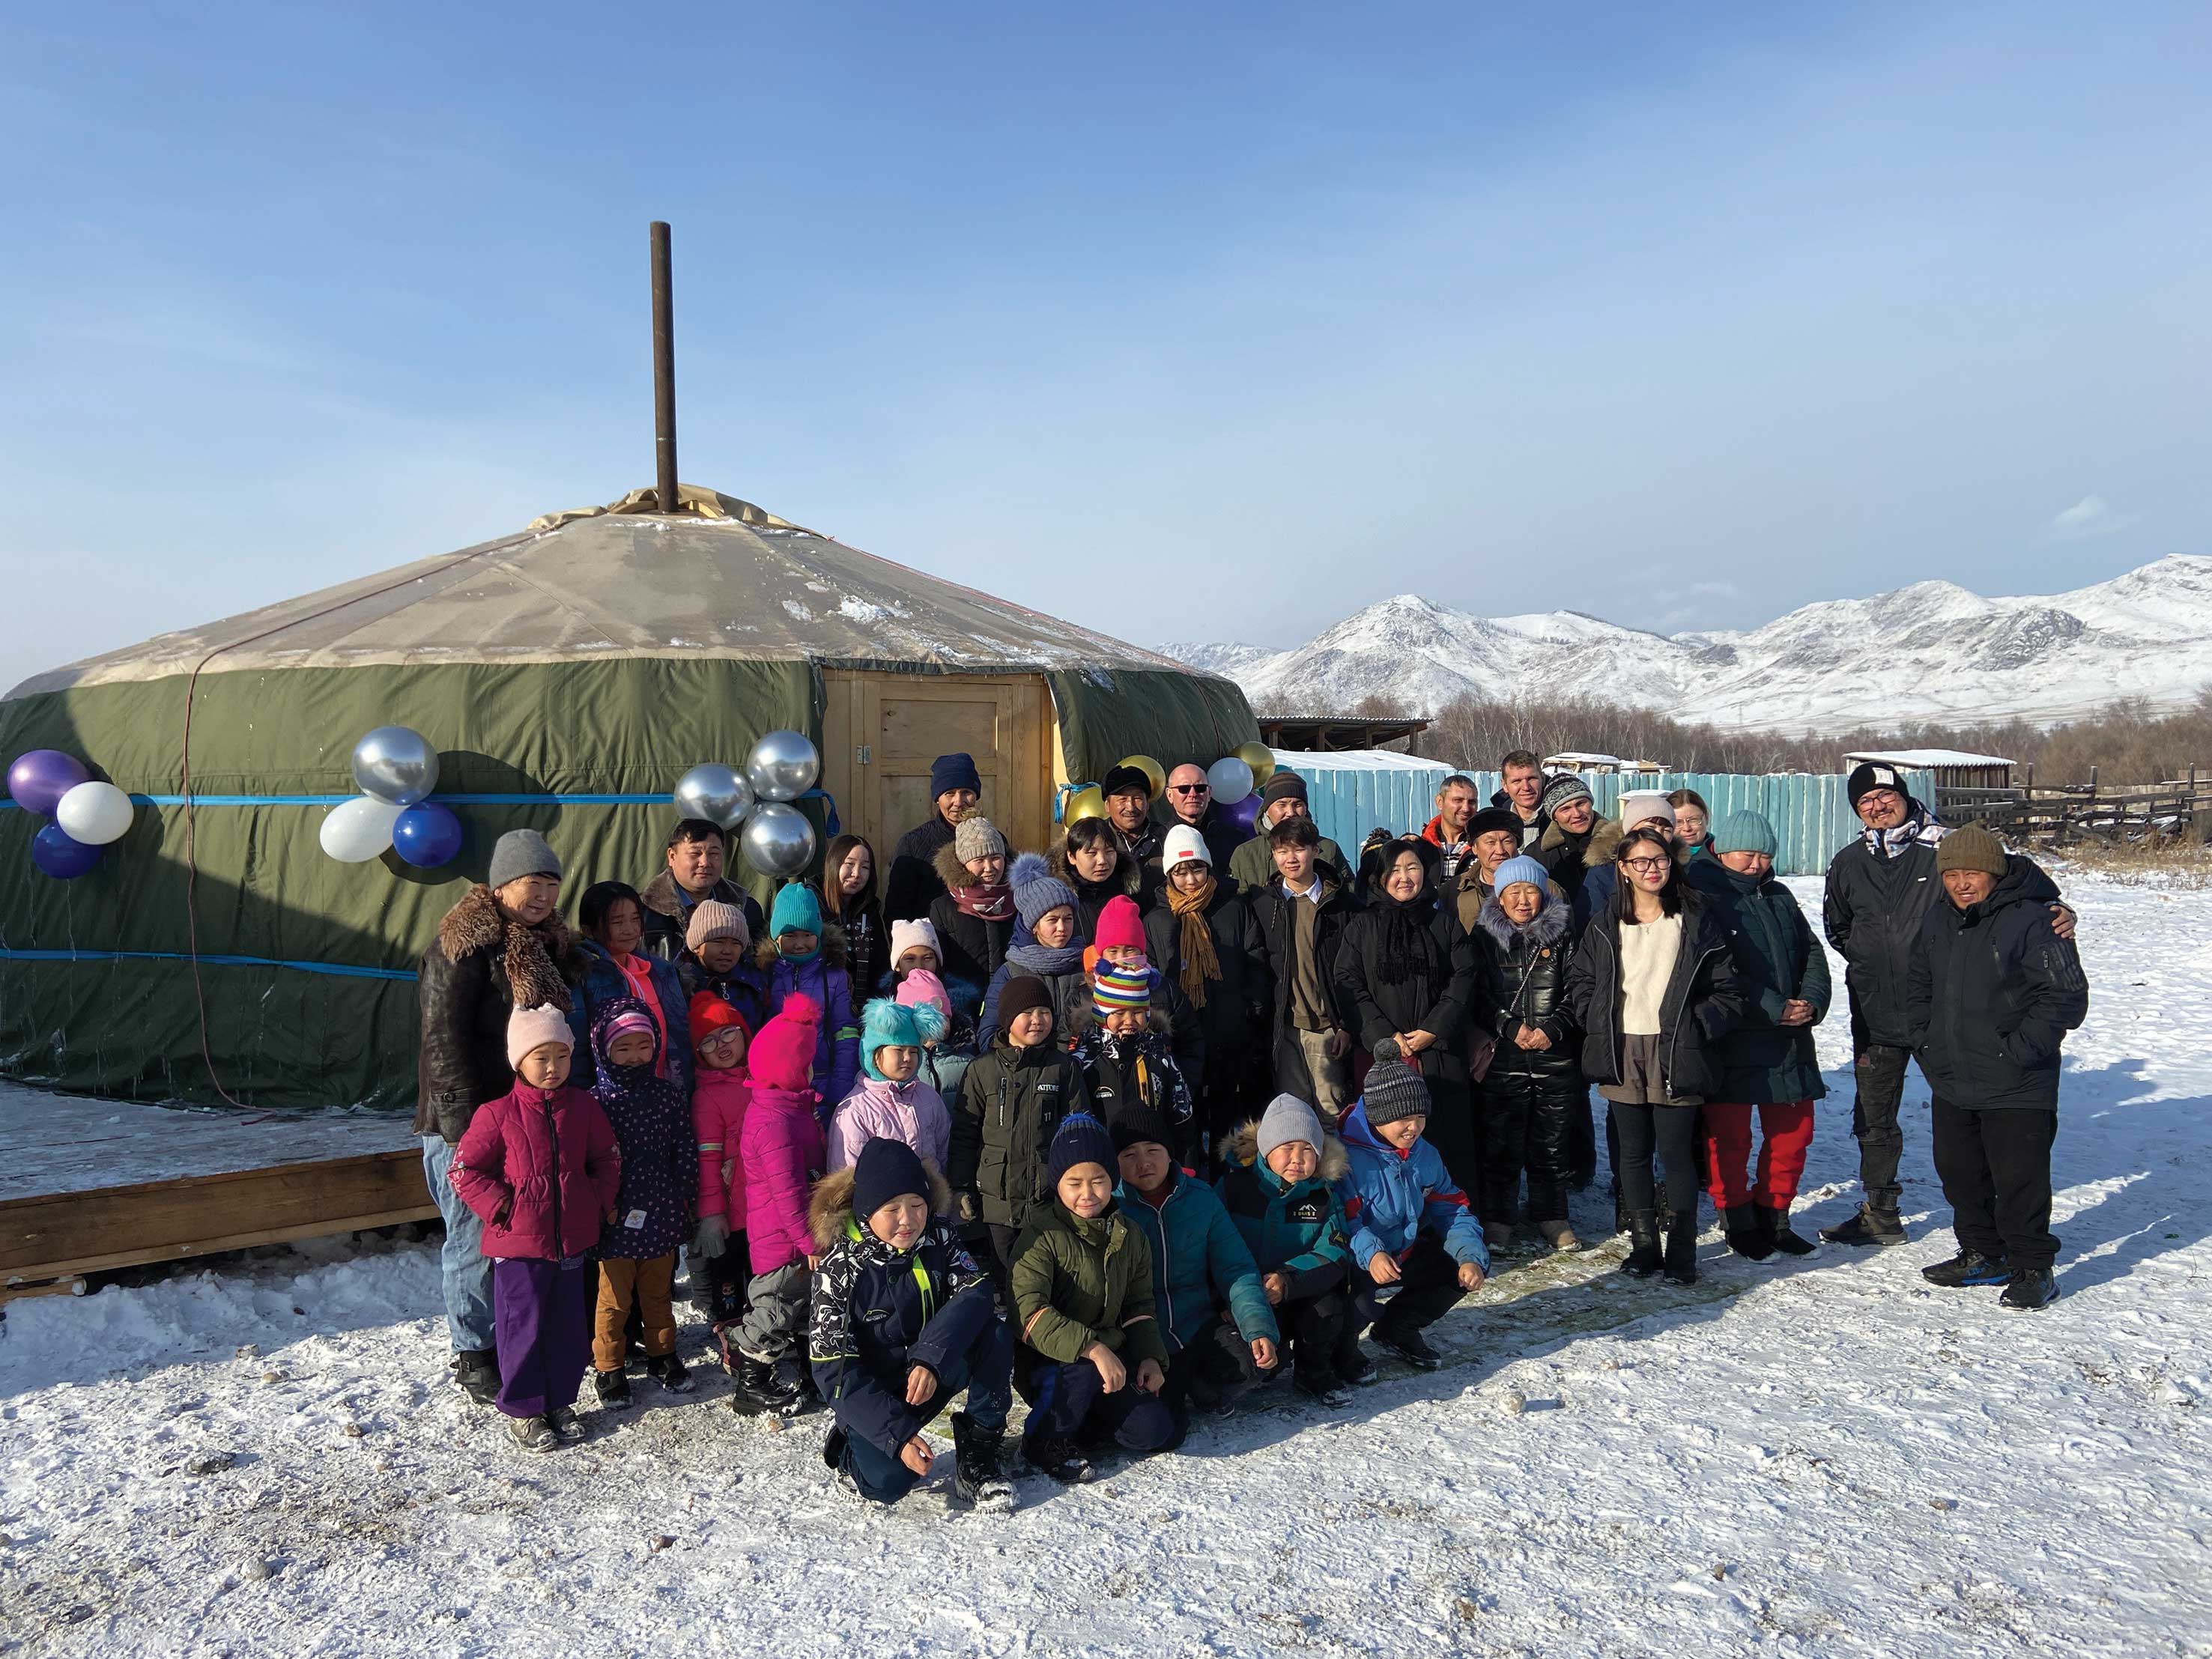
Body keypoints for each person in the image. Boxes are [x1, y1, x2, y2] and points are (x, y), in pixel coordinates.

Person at [1820, 761, 2075, 1249]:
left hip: (1948, 1013)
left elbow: (2014, 881)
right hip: (1875, 1013)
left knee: (1969, 1120)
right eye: (1864, 800)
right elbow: (1838, 926)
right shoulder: (1847, 860)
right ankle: (1880, 1211)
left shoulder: (1944, 844)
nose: (1877, 805)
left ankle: (1994, 1224)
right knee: (1873, 1117)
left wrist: (2056, 908)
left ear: (1903, 795)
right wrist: (1872, 961)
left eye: (1884, 795)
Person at [416, 828, 582, 1404]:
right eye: (532, 883)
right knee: (470, 1239)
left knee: (515, 1237)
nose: (542, 896)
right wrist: (467, 1137)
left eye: (551, 885)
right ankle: (473, 1351)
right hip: (465, 1121)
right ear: (502, 884)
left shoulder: (549, 947)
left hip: (524, 1119)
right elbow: (443, 1043)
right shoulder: (459, 947)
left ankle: (509, 1340)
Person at [1908, 825, 2088, 1311]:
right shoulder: (1938, 920)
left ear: (1994, 872)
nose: (1961, 883)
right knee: (1959, 1172)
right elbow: (1917, 984)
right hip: (1952, 1074)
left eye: (1972, 873)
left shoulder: (2035, 921)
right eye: (1952, 874)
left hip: (2016, 1079)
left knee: (2019, 1178)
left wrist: (2020, 1049)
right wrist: (1926, 1042)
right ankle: (1982, 1252)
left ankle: (2031, 1265)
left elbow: (2065, 996)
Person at [1566, 827, 1746, 1287]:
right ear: (1622, 869)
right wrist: (1594, 1016)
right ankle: (1644, 1245)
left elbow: (1727, 990)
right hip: (1623, 1046)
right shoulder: (1607, 921)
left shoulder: (1695, 918)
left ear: (1672, 865)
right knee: (1631, 1155)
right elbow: (1581, 980)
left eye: (1660, 860)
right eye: (1640, 862)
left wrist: (1697, 1026)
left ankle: (1682, 1250)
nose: (1651, 869)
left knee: (1677, 1154)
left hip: (1675, 1049)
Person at [808, 1138, 1016, 1509]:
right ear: (867, 1211)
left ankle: (978, 1458)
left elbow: (976, 1289)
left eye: (917, 1204)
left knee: (994, 1335)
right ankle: (848, 1450)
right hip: (876, 1393)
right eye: (892, 1208)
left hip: (928, 1374)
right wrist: (897, 1435)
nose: (908, 1219)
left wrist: (931, 1356)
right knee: (889, 1483)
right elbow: (832, 1370)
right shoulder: (838, 1269)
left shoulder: (939, 1236)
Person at [449, 1006, 621, 1451]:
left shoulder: (584, 1107)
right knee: (521, 1329)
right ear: (519, 1060)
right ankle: (525, 1408)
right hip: (520, 1247)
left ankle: (561, 1400)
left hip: (573, 1242)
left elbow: (607, 1159)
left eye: (561, 1057)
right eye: (541, 1057)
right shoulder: (496, 1113)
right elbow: (464, 1171)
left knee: (567, 1328)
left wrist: (597, 1200)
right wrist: (502, 1208)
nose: (552, 1068)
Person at [1684, 812, 1830, 1260]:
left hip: (1788, 1038)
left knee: (1793, 1132)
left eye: (1765, 856)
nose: (1757, 865)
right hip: (1732, 1035)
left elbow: (1811, 950)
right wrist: (1772, 1005)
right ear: (1723, 849)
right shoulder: (1701, 894)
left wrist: (1812, 1000)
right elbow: (1712, 966)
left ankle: (1776, 1215)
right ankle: (1738, 1218)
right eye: (1748, 854)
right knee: (1729, 1137)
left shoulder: (1780, 895)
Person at [1010, 1113, 1177, 1481]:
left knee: (1154, 1431)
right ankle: (1042, 1440)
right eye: (1075, 1183)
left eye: (1098, 1181)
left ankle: (1081, 1426)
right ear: (1058, 1185)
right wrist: (1094, 1349)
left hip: (1110, 1358)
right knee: (1082, 1372)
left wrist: (1150, 1357)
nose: (1087, 1194)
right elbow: (1030, 1313)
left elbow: (1139, 1306)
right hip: (1051, 1361)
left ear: (1111, 1180)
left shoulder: (1130, 1234)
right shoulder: (1042, 1235)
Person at [1111, 1101, 1279, 1438]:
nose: (1144, 1162)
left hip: (1196, 1322)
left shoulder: (1200, 1198)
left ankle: (1200, 1385)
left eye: (1152, 1150)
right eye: (1129, 1154)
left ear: (1169, 1153)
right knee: (1161, 1431)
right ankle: (1176, 1387)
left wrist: (1257, 1326)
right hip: (1142, 1334)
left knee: (1260, 1360)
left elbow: (1236, 1267)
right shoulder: (1109, 1206)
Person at [1333, 836, 1482, 1199]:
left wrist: (1434, 1028)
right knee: (1386, 1139)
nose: (1404, 877)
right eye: (1395, 870)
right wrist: (1385, 1036)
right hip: (1381, 1055)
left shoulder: (1442, 924)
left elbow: (1464, 976)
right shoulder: (1362, 925)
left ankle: (1450, 1224)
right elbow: (1347, 981)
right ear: (1380, 877)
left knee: (1444, 1138)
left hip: (1438, 1053)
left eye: (1412, 868)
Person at [1334, 1060, 1488, 1371]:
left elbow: (1452, 1206)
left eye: (1420, 1117)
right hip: (1355, 1259)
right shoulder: (1345, 1160)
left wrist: (1469, 1254)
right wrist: (1373, 1254)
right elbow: (1344, 1222)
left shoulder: (1424, 1153)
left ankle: (1397, 1328)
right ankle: (1340, 1347)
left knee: (1458, 1266)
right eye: (1403, 1118)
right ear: (1379, 1117)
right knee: (1358, 1303)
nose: (1414, 1127)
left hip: (1404, 1249)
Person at [581, 998, 696, 1406]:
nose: (634, 1057)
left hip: (660, 1210)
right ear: (603, 1049)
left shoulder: (665, 1095)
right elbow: (588, 1161)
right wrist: (600, 1205)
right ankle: (609, 1367)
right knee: (613, 1298)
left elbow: (683, 1147)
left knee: (658, 1293)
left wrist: (684, 1195)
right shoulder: (596, 1101)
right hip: (614, 1218)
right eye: (623, 1048)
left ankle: (663, 1354)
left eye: (643, 1047)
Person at [1469, 855, 1584, 1254]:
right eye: (1512, 891)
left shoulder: (1565, 934)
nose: (1522, 900)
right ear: (1499, 897)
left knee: (1551, 1142)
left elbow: (1580, 989)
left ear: (1543, 893)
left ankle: (1551, 1214)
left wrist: (1552, 1029)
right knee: (1501, 1140)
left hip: (1556, 1054)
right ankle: (1498, 1218)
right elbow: (1476, 995)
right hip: (1505, 1054)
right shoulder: (1483, 936)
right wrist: (1510, 1026)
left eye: (1530, 890)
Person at [949, 974, 1085, 1300]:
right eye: (1028, 1013)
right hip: (998, 1203)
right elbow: (965, 1135)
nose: (1037, 1020)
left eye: (1045, 1012)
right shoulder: (983, 1069)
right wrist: (960, 1187)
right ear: (1008, 1019)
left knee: (1047, 1278)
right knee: (1005, 1278)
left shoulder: (1063, 1068)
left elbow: (1079, 1132)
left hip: (1048, 1200)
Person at [1218, 1095, 1356, 1404]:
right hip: (1245, 1295)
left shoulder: (1323, 1195)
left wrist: (1288, 1279)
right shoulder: (1234, 1187)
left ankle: (1313, 1374)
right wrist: (1224, 1298)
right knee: (1260, 1365)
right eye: (1287, 1148)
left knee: (1328, 1308)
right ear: (1267, 1150)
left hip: (1297, 1291)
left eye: (1308, 1149)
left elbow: (1334, 1251)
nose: (1298, 1158)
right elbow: (1210, 1247)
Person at [730, 995, 830, 1416]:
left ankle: (813, 1376)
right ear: (790, 1067)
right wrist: (809, 1242)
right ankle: (750, 1383)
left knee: (805, 1307)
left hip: (794, 1238)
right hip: (783, 1242)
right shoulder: (774, 1123)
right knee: (774, 1311)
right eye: (807, 1063)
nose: (811, 1071)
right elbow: (788, 1193)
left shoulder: (790, 1109)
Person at [1143, 825, 1269, 1153]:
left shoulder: (1234, 909)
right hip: (1183, 1038)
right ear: (1170, 875)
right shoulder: (1158, 920)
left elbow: (1256, 960)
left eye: (1196, 869)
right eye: (1180, 872)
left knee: (1229, 1116)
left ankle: (1230, 1183)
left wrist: (1249, 1008)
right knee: (1188, 1115)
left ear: (1208, 867)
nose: (1190, 880)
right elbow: (1152, 977)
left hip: (1230, 1033)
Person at [1249, 816, 1358, 1120]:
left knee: (1332, 1115)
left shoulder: (1342, 905)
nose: (1290, 858)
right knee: (1294, 1117)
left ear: (1314, 850)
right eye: (1282, 851)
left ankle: (1338, 1169)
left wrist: (1346, 1025)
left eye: (1298, 849)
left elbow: (1354, 970)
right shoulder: (1263, 903)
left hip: (1327, 1027)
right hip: (1284, 1027)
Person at [570, 880, 693, 1094]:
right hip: (611, 1099)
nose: (630, 929)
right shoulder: (583, 974)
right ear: (588, 930)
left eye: (635, 920)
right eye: (617, 922)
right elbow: (577, 1046)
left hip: (662, 1093)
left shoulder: (660, 971)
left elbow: (680, 1036)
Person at [1068, 962, 1197, 1159]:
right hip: (1103, 1167)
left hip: (1154, 1167)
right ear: (1102, 1016)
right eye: (1118, 1013)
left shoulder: (1161, 1059)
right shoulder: (1083, 1062)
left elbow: (1182, 1119)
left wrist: (1185, 1165)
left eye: (1137, 1012)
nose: (1129, 1021)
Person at [686, 992, 754, 1353]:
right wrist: (711, 1213)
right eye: (709, 1041)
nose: (721, 1045)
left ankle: (761, 1336)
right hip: (729, 1212)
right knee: (727, 1282)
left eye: (728, 1033)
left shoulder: (761, 1078)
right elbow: (707, 1160)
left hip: (760, 1206)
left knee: (758, 1281)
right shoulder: (706, 1097)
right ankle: (730, 1339)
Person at [754, 882, 859, 1110]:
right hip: (774, 1088)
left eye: (808, 934)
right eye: (790, 935)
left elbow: (845, 1032)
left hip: (822, 1082)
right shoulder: (764, 974)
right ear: (776, 937)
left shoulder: (834, 976)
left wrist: (841, 1084)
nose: (800, 944)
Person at [828, 998, 953, 1178]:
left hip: (928, 1203)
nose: (908, 1057)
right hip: (882, 1205)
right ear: (874, 1054)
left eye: (913, 1051)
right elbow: (846, 1172)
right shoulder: (855, 1110)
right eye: (898, 1050)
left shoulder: (929, 1098)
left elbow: (944, 1151)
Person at [978, 857, 1091, 1050]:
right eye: (1052, 920)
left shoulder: (1087, 965)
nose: (1062, 927)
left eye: (1068, 918)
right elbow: (988, 1035)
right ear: (1034, 926)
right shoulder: (1011, 972)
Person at [640, 819, 767, 962]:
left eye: (714, 854)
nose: (705, 863)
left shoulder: (746, 909)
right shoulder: (643, 912)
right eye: (695, 854)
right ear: (672, 857)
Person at [929, 816, 1017, 1013]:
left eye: (995, 858)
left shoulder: (1020, 899)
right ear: (963, 863)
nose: (989, 868)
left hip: (1012, 1006)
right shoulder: (943, 908)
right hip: (962, 1007)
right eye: (979, 860)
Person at [886, 753, 981, 923]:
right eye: (950, 793)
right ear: (937, 799)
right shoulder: (913, 845)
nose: (958, 801)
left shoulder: (993, 841)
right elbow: (897, 913)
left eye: (966, 792)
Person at [1225, 771, 1354, 892]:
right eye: (1282, 805)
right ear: (1267, 810)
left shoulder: (1327, 849)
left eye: (1297, 805)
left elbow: (1349, 895)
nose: (1291, 813)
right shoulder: (1246, 854)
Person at [1577, 790, 1679, 931]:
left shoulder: (1680, 868)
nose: (1658, 834)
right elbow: (1588, 926)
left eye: (1666, 829)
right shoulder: (1603, 872)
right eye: (1650, 827)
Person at [675, 899, 766, 1034]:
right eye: (718, 942)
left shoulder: (755, 980)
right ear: (697, 947)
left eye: (736, 943)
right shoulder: (679, 985)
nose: (727, 950)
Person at [822, 834, 885, 1020]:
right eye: (849, 864)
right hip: (822, 1006)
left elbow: (881, 965)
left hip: (863, 1011)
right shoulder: (812, 902)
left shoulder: (870, 909)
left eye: (865, 867)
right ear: (834, 864)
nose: (857, 873)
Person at [1052, 816, 1146, 939]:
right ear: (1071, 857)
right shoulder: (1056, 899)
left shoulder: (1130, 893)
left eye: (1109, 851)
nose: (1102, 861)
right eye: (1092, 853)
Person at [1446, 807, 1533, 933]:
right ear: (1475, 848)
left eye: (1507, 841)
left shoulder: (1544, 888)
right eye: (1490, 842)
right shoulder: (1453, 892)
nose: (1500, 850)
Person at [900, 970, 977, 1105]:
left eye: (943, 1017)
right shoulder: (898, 1064)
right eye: (927, 1022)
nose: (936, 1027)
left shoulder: (969, 1063)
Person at [1157, 762, 1249, 872]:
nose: (1193, 794)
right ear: (1169, 795)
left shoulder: (1234, 838)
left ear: (1209, 793)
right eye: (1184, 789)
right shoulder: (1158, 842)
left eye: (1200, 788)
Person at [1100, 763, 1164, 876]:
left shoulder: (1165, 838)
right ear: (1107, 805)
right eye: (1122, 799)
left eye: (1137, 798)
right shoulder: (1095, 839)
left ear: (1148, 804)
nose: (1131, 807)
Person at [1420, 774, 1483, 883]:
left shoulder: (1485, 845)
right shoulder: (1423, 846)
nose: (1466, 808)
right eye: (1458, 800)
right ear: (1440, 802)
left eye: (1472, 802)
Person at [1494, 750, 1548, 848]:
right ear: (1505, 785)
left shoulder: (1559, 820)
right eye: (1517, 781)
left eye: (1531, 779)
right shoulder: (1495, 824)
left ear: (1543, 779)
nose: (1526, 787)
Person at [1668, 789, 1712, 861]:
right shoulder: (1663, 856)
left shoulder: (1724, 854)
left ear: (1706, 818)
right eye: (1678, 822)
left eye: (1693, 820)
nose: (1687, 828)